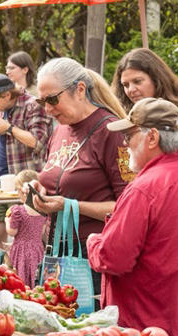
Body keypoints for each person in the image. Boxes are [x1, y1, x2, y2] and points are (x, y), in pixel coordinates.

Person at [86, 97, 178, 336]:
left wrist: (94, 242)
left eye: (129, 137)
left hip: (147, 332)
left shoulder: (145, 188)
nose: (125, 145)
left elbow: (114, 257)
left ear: (151, 137)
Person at [31, 57, 131, 303]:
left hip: (93, 260)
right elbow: (59, 179)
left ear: (80, 90)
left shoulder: (111, 131)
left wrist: (68, 205)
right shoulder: (60, 129)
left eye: (53, 100)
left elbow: (128, 207)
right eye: (41, 102)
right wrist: (38, 190)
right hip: (56, 255)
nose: (48, 109)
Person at [0, 73, 52, 248]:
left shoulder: (33, 105)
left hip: (24, 181)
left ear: (8, 95)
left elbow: (38, 142)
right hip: (1, 179)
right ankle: (2, 271)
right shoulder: (0, 109)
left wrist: (9, 128)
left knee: (30, 236)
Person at [111, 48, 178, 167]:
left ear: (156, 79)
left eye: (137, 81)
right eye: (125, 85)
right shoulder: (125, 120)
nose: (131, 90)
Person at [6, 170, 47, 286]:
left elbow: (12, 231)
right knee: (36, 274)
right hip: (37, 248)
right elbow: (42, 231)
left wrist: (6, 222)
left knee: (20, 276)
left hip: (21, 250)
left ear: (21, 191)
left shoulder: (17, 211)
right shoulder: (43, 210)